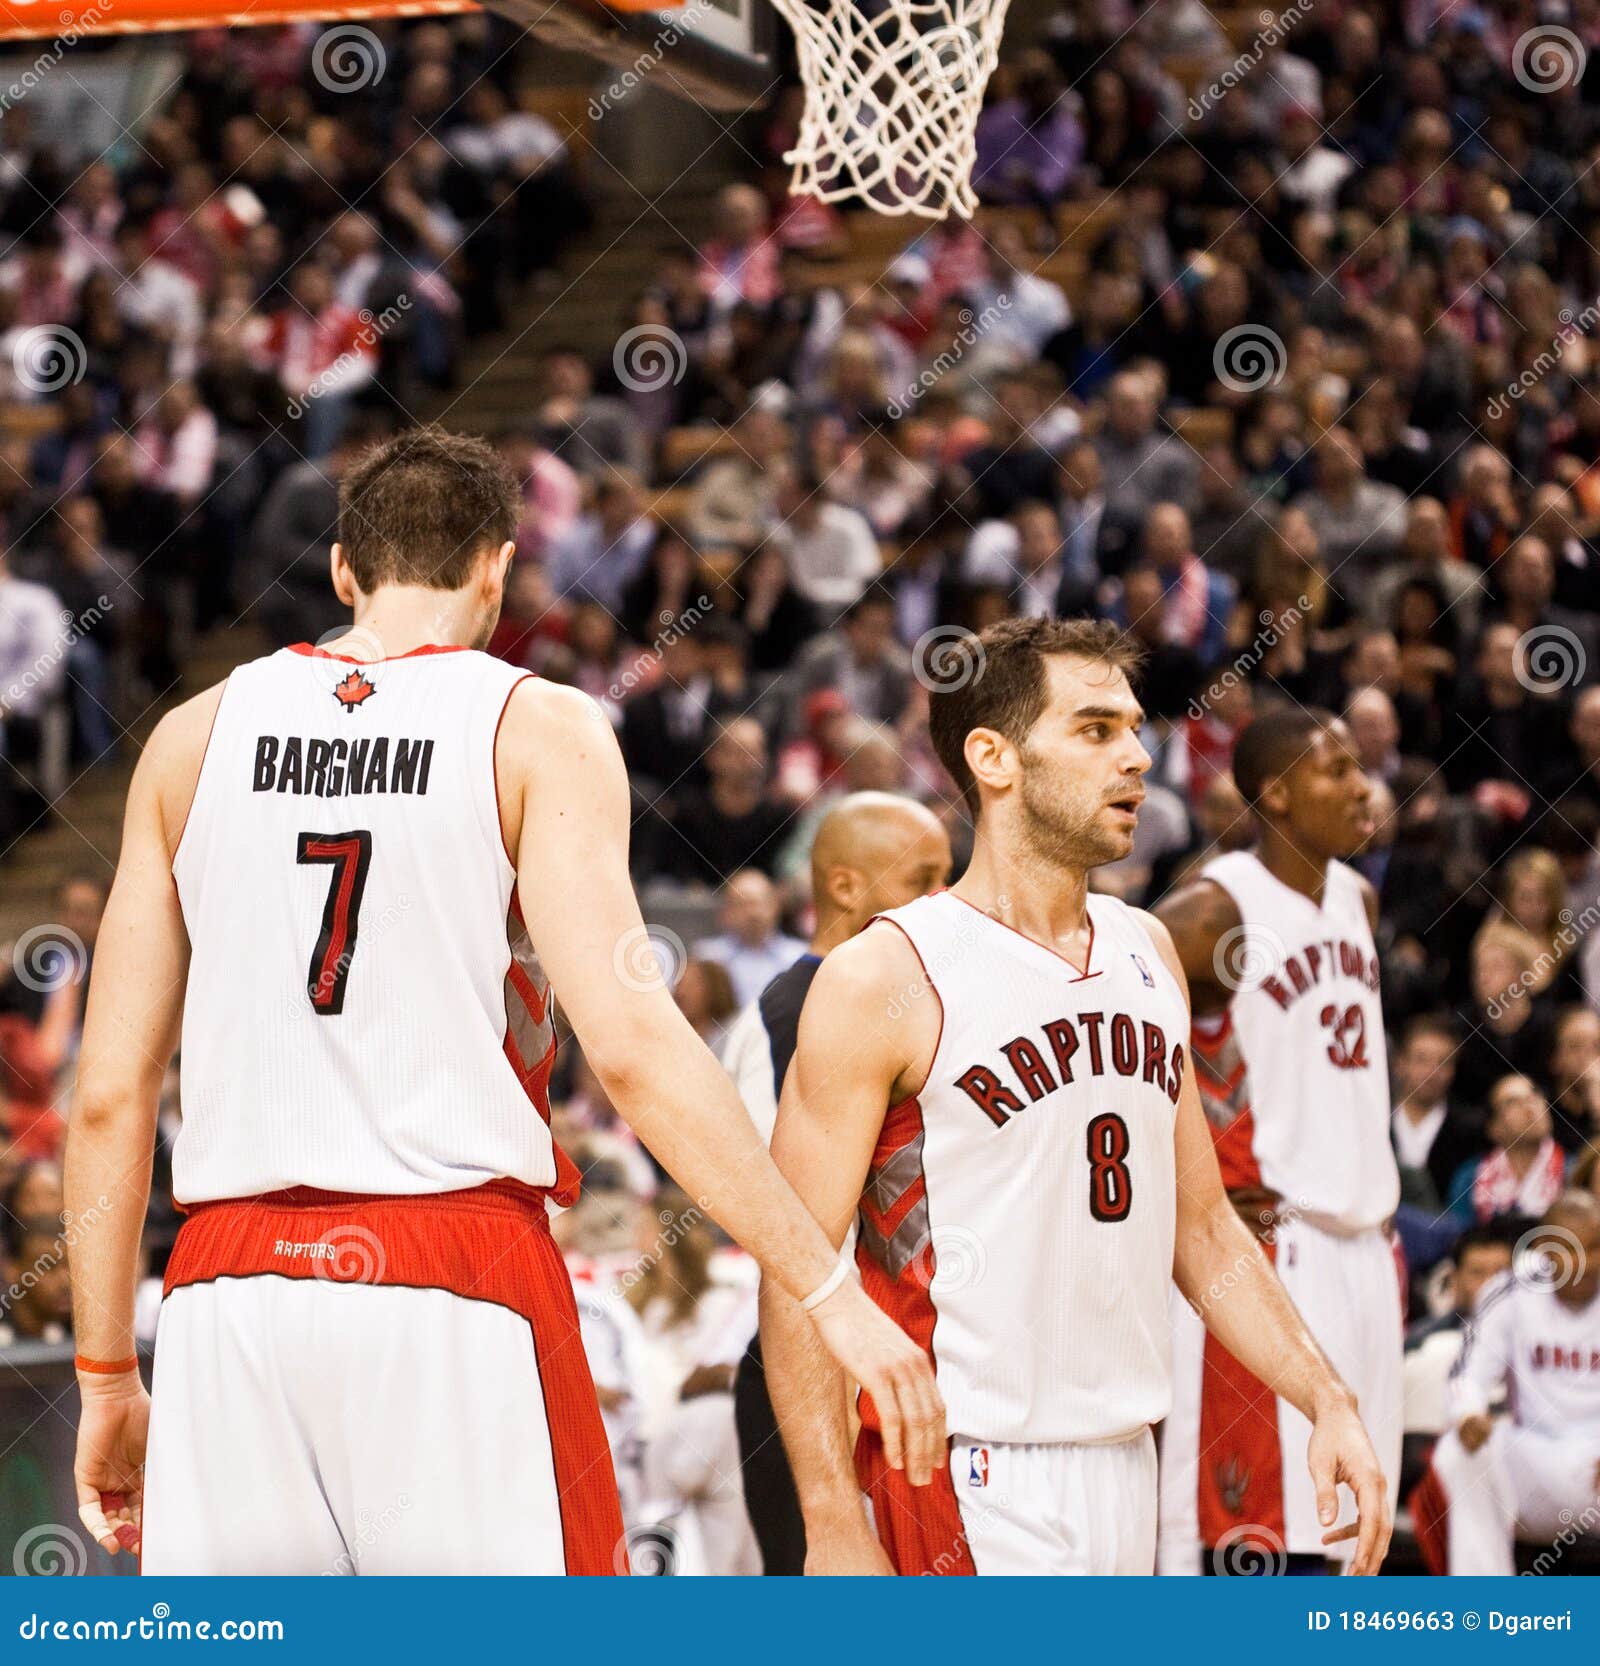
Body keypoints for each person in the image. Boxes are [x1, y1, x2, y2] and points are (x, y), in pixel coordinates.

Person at [64, 424, 943, 1575]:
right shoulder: (536, 724)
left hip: (229, 1289)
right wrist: (825, 1283)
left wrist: (105, 1378)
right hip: (449, 1269)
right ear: (495, 568)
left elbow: (108, 1093)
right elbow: (629, 1048)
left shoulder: (190, 738)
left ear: (342, 572)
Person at [761, 618, 1391, 1576]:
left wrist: (1325, 1395)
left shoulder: (1147, 951)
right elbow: (796, 1265)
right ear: (994, 757)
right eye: (1096, 730)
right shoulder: (883, 974)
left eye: (1135, 729)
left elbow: (1206, 1229)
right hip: (961, 1467)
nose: (1138, 757)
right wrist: (831, 1520)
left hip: (1124, 1460)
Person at [1154, 706, 1403, 1574]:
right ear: (1277, 793)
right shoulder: (1212, 909)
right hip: (1272, 1248)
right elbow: (1130, 1034)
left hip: (1369, 1243)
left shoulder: (1357, 897)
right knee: (1259, 1534)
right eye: (1335, 769)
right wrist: (1198, 1172)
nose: (1361, 784)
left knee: (1357, 1528)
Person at [721, 790, 952, 1574]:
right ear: (847, 887)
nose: (943, 900)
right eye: (923, 878)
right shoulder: (789, 1011)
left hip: (903, 1362)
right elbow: (771, 1221)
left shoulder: (921, 997)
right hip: (817, 1370)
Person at [1422, 1192, 1600, 1575]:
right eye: (1570, 1249)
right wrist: (1468, 1414)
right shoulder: (1511, 1289)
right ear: (1544, 1249)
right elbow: (1467, 1376)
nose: (1584, 1263)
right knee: (1458, 1451)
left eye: (1595, 1248)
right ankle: (1487, 1608)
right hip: (1535, 1461)